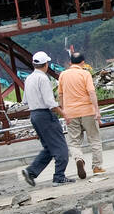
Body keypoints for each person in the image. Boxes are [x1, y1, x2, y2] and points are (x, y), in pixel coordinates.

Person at [21, 51, 74, 186]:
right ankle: (59, 176)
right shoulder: (43, 78)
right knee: (61, 146)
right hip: (45, 115)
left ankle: (31, 172)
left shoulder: (29, 78)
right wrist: (63, 113)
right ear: (46, 65)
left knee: (49, 148)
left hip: (34, 115)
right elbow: (50, 102)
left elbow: (25, 101)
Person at [59, 51, 105, 179]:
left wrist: (64, 112)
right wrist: (97, 110)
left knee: (74, 142)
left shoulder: (63, 75)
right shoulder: (85, 74)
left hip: (71, 113)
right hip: (87, 111)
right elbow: (91, 92)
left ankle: (79, 159)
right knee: (94, 139)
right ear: (83, 62)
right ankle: (97, 167)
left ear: (70, 63)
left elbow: (61, 95)